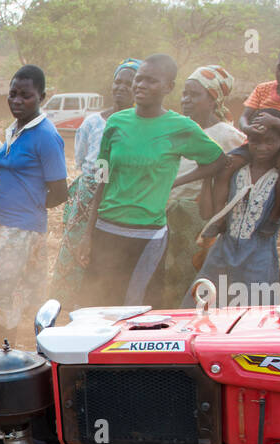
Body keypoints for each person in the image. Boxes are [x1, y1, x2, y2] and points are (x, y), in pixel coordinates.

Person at [84, 53, 225, 306]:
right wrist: (88, 233)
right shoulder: (116, 122)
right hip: (106, 230)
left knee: (137, 309)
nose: (140, 85)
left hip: (147, 235)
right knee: (98, 303)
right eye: (139, 79)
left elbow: (217, 161)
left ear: (169, 87)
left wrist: (177, 181)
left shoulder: (180, 127)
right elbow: (103, 177)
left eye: (151, 81)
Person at [0, 66, 66, 344]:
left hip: (20, 231)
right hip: (2, 225)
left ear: (42, 95)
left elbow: (60, 192)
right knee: (4, 302)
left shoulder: (45, 135)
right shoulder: (16, 129)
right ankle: (5, 359)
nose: (17, 100)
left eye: (25, 96)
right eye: (13, 94)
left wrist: (30, 210)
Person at [51, 59, 139, 307]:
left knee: (104, 256)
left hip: (118, 198)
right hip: (87, 196)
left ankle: (95, 304)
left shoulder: (139, 125)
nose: (121, 88)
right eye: (118, 82)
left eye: (129, 84)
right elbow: (82, 161)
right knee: (74, 250)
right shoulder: (92, 122)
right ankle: (68, 306)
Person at [158, 65, 246, 304]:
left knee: (191, 278)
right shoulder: (179, 128)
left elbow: (237, 180)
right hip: (165, 215)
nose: (186, 100)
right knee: (165, 277)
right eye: (184, 93)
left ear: (213, 99)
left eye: (194, 95)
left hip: (199, 220)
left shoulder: (228, 135)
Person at [190, 125, 280, 302]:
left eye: (269, 142)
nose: (261, 147)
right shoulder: (235, 171)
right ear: (247, 141)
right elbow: (208, 212)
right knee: (205, 308)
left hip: (259, 258)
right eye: (255, 141)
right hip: (222, 253)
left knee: (252, 316)